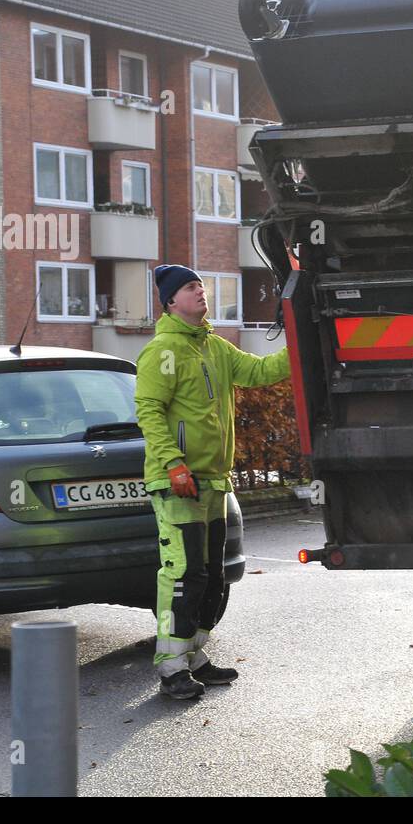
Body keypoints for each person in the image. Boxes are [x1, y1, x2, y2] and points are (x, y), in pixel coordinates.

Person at [135, 264, 289, 699]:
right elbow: (148, 411)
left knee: (211, 577)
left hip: (213, 482)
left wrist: (299, 343)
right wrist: (173, 465)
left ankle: (193, 655)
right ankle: (170, 666)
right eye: (190, 287)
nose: (200, 292)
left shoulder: (215, 348)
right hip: (178, 482)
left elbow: (260, 372)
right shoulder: (163, 351)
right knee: (183, 574)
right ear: (170, 302)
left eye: (201, 285)